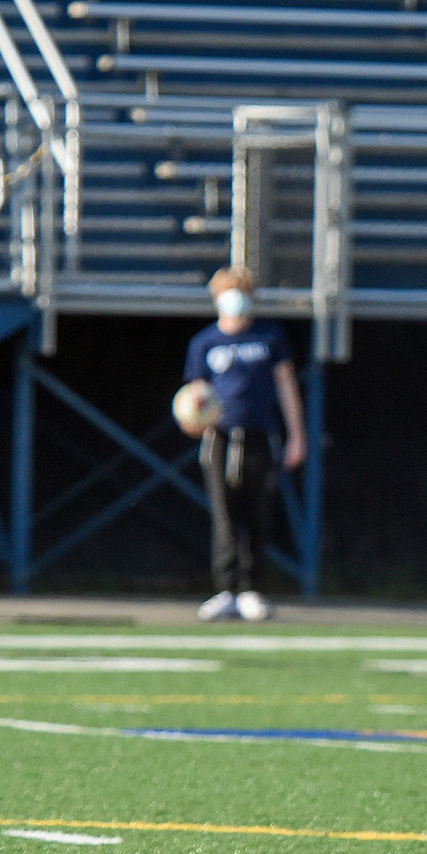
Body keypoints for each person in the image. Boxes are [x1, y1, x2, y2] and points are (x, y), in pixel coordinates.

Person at [183, 267, 306, 623]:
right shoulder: (204, 343)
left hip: (259, 435)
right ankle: (226, 589)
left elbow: (286, 386)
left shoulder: (269, 336)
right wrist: (193, 418)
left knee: (258, 514)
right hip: (220, 438)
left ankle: (252, 589)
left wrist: (297, 435)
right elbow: (195, 394)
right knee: (224, 516)